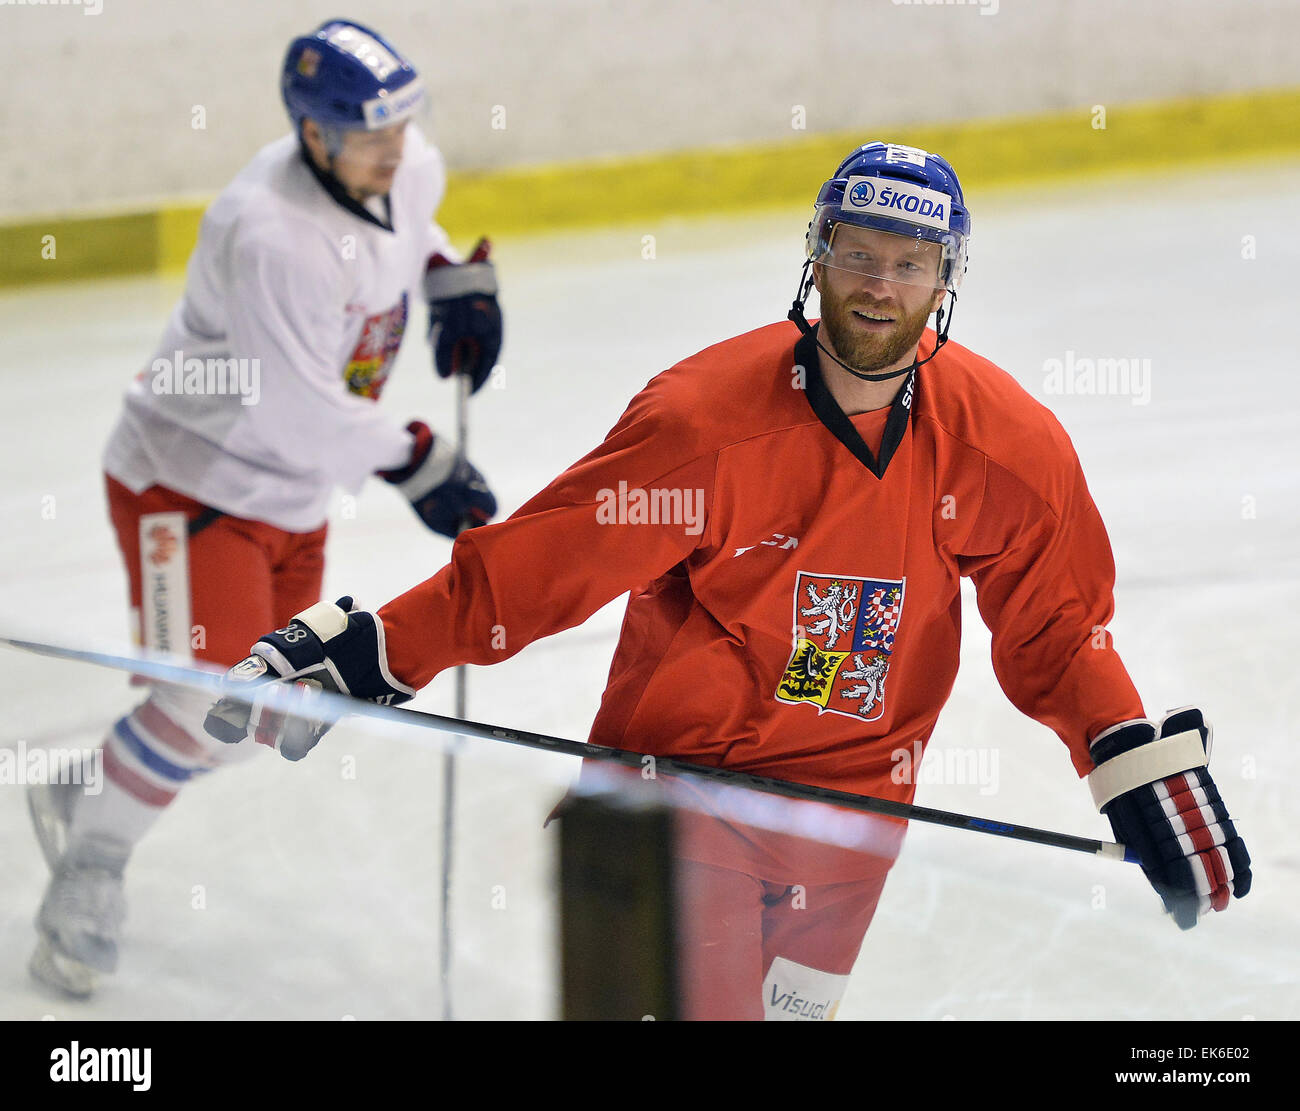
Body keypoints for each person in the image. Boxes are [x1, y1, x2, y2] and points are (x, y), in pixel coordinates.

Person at [204, 141, 1250, 1020]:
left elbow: (1058, 629)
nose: (878, 284)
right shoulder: (705, 425)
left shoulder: (1005, 446)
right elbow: (536, 568)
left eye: (908, 262)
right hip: (680, 795)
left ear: (945, 281)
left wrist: (1130, 762)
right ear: (817, 256)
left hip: (856, 824)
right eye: (856, 252)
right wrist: (378, 649)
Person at [26, 19, 502, 999]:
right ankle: (91, 864)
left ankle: (84, 790)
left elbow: (411, 237)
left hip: (293, 491)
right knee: (209, 701)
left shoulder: (407, 170)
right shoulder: (269, 231)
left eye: (401, 127)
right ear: (312, 135)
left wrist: (450, 280)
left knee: (257, 713)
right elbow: (290, 416)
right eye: (370, 135)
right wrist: (415, 457)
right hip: (187, 482)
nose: (396, 150)